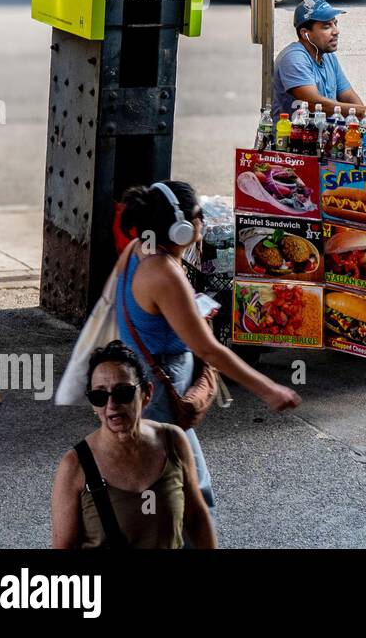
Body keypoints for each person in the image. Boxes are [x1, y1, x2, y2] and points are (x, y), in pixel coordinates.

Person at [115, 180, 301, 516]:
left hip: (150, 385)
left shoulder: (136, 250)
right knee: (188, 497)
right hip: (160, 392)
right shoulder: (162, 273)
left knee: (186, 489)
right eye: (199, 215)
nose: (204, 221)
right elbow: (210, 351)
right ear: (182, 228)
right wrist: (269, 389)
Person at [51, 341, 215, 548]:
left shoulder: (173, 441)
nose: (111, 405)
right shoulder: (75, 465)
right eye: (99, 396)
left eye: (123, 393)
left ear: (146, 394)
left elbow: (196, 518)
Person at [273, 0, 366, 120]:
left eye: (335, 24)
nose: (336, 31)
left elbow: (350, 98)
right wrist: (362, 111)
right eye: (326, 26)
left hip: (325, 136)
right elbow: (313, 104)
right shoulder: (293, 58)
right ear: (305, 34)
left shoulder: (329, 57)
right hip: (291, 137)